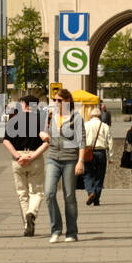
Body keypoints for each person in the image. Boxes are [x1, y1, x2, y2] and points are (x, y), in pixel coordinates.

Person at [41, 87, 87, 242]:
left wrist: (80, 161)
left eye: (59, 100)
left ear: (67, 101)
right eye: (54, 100)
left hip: (70, 159)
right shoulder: (51, 116)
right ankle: (56, 229)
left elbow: (82, 141)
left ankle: (72, 232)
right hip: (53, 157)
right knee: (49, 193)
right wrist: (43, 135)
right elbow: (44, 132)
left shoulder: (76, 117)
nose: (56, 102)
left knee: (69, 196)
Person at [3, 94, 48, 236]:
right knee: (37, 191)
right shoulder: (41, 120)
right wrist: (33, 156)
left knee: (22, 194)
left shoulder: (14, 120)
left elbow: (6, 141)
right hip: (35, 158)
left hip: (18, 160)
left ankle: (26, 225)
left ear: (24, 105)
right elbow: (46, 142)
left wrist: (18, 156)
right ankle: (31, 213)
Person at [84, 106, 113, 206]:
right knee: (99, 176)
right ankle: (96, 199)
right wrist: (110, 157)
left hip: (88, 152)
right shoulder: (105, 126)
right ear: (100, 116)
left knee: (87, 174)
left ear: (90, 116)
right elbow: (110, 142)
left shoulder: (85, 125)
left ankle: (90, 192)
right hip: (101, 152)